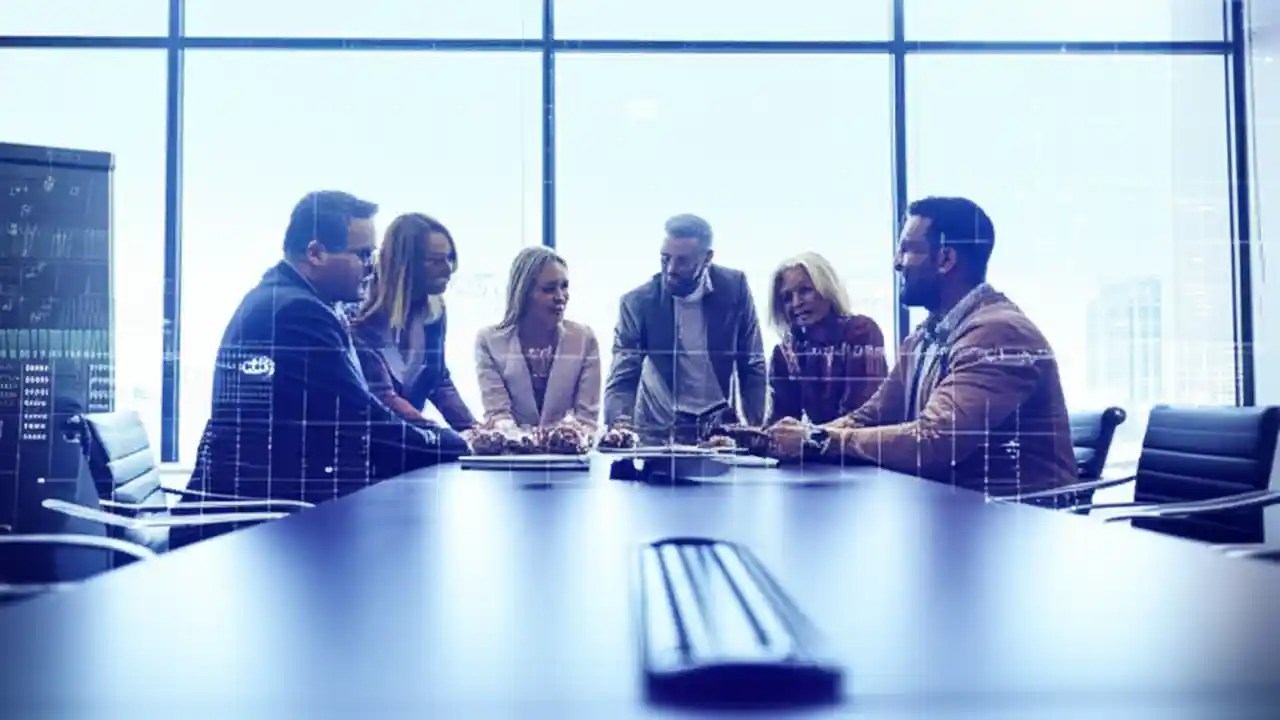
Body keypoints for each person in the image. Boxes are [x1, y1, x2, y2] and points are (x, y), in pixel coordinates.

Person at [766, 196, 1077, 499]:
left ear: (945, 259)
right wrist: (782, 440)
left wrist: (817, 439)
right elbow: (870, 416)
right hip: (950, 509)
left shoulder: (999, 333)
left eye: (907, 250)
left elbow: (936, 441)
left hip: (1016, 522)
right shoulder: (925, 337)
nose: (897, 263)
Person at [187, 191, 469, 506]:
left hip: (279, 506)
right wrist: (454, 444)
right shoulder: (299, 315)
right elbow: (362, 421)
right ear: (316, 253)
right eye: (362, 255)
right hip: (266, 520)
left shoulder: (288, 299)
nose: (370, 268)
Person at [603, 213, 767, 444]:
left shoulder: (734, 287)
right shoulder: (638, 303)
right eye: (665, 258)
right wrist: (619, 426)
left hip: (720, 425)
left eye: (682, 261)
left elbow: (752, 363)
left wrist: (756, 428)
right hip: (658, 428)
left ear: (707, 258)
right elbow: (623, 375)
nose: (671, 269)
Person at [349, 213, 479, 434]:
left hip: (412, 441)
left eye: (449, 258)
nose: (448, 269)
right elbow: (382, 395)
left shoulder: (435, 310)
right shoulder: (359, 315)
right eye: (435, 261)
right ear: (405, 264)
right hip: (371, 443)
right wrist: (440, 437)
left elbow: (438, 380)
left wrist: (476, 431)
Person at [474, 247, 601, 431]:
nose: (561, 297)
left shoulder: (584, 339)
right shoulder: (489, 341)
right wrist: (521, 441)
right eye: (549, 289)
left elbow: (587, 419)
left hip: (570, 452)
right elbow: (498, 414)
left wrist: (565, 439)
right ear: (523, 293)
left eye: (564, 286)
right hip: (513, 453)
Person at [766, 252, 888, 426]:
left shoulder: (861, 331)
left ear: (827, 289)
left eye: (805, 291)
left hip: (864, 446)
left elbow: (862, 415)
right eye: (787, 298)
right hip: (819, 446)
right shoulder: (786, 353)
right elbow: (780, 421)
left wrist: (807, 438)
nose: (796, 303)